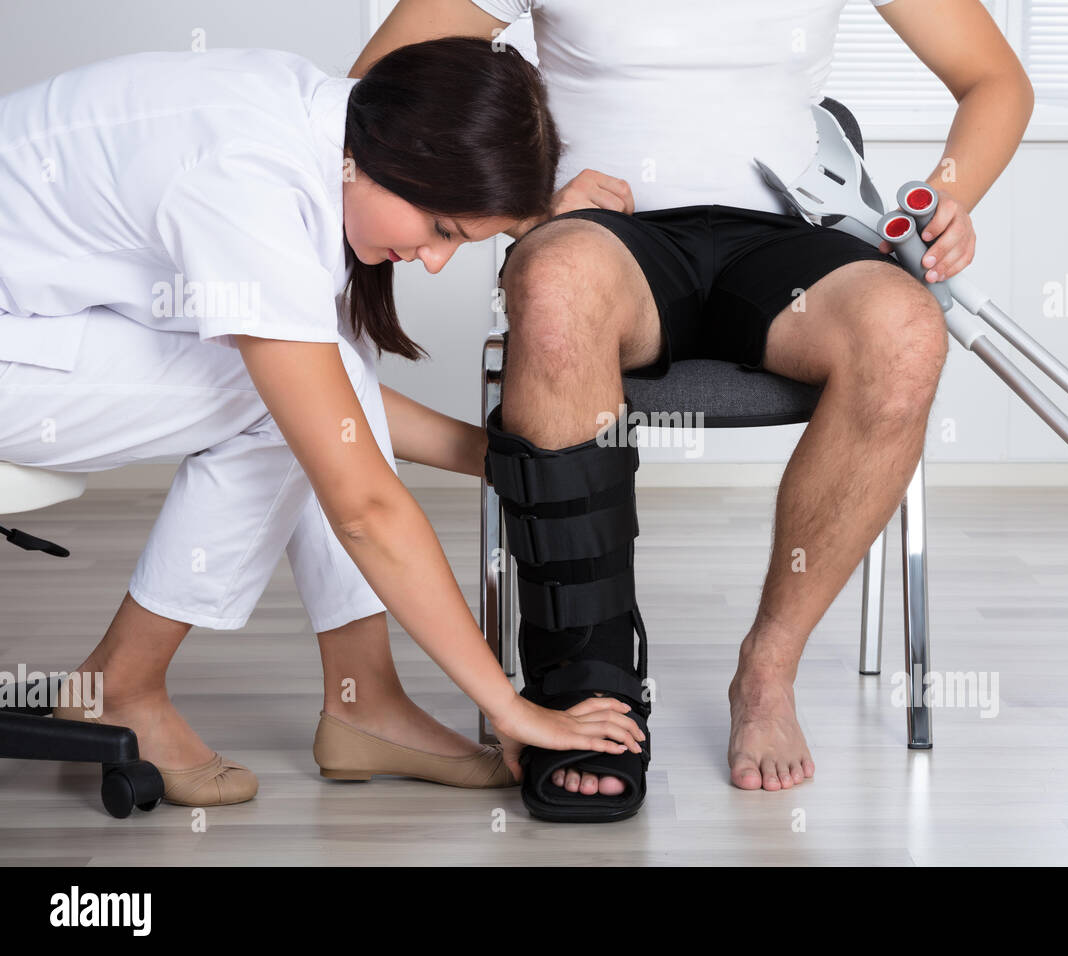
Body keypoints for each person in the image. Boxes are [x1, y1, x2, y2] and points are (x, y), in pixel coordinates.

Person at [352, 0, 1034, 820]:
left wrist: (947, 194)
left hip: (792, 229)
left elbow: (993, 80)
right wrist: (524, 209)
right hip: (608, 232)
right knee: (557, 284)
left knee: (905, 330)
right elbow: (370, 91)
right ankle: (582, 684)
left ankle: (769, 671)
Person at [0, 37, 644, 807]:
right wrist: (510, 707)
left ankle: (363, 701)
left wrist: (515, 455)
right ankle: (122, 685)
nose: (434, 261)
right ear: (400, 157)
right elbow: (362, 501)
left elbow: (342, 404)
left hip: (29, 323)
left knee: (307, 385)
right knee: (281, 402)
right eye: (441, 230)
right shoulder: (248, 181)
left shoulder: (323, 122)